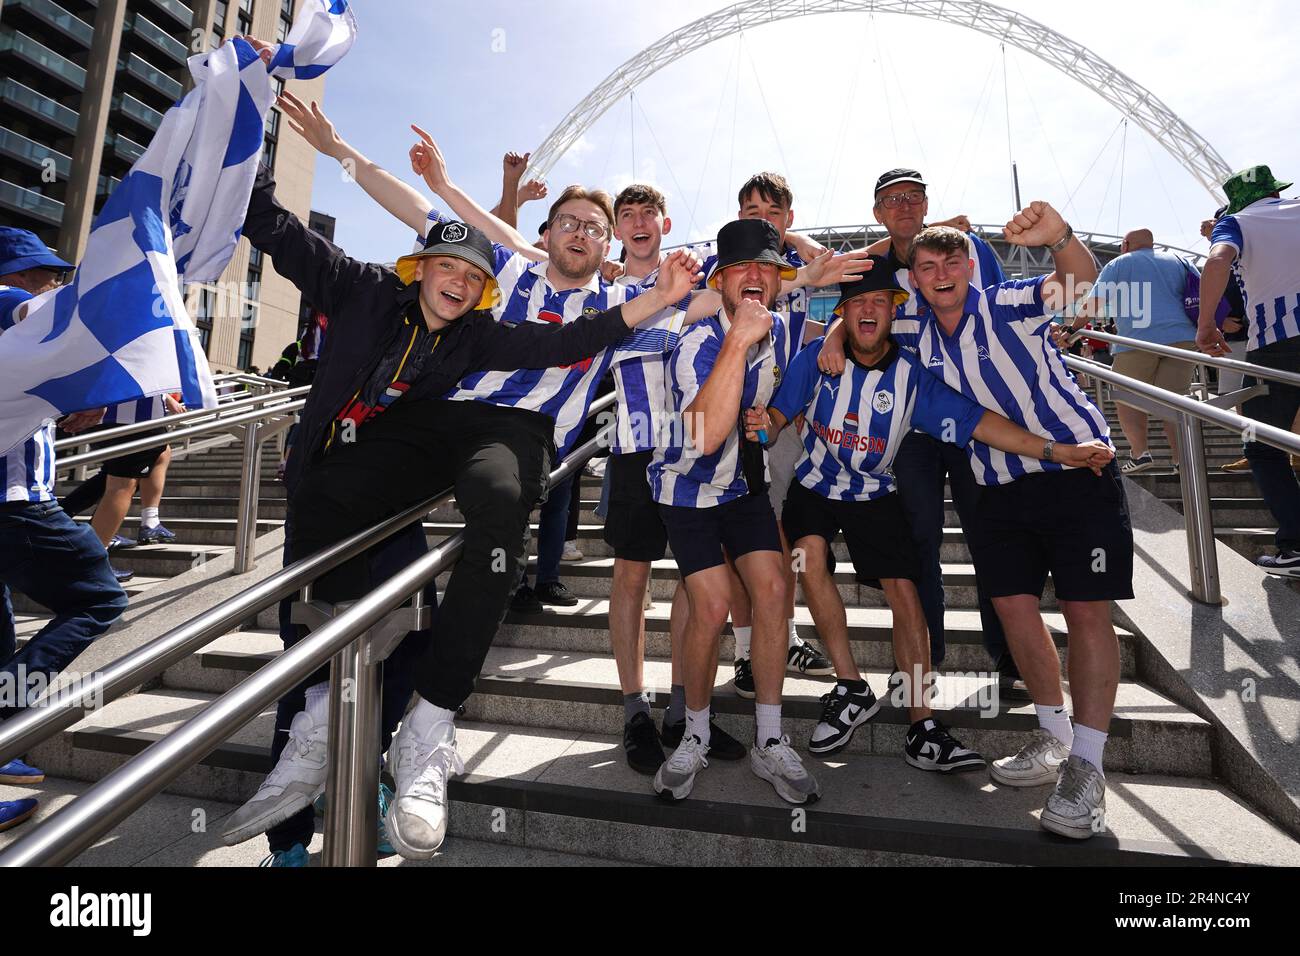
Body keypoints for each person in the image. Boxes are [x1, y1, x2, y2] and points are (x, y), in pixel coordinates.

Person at [221, 72, 704, 861]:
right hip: (435, 418)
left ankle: (429, 729)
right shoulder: (499, 274)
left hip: (512, 435)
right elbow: (420, 215)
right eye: (569, 221)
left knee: (498, 518)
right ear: (542, 234)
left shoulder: (618, 305)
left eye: (596, 225)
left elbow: (680, 309)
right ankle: (311, 738)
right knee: (330, 495)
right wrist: (343, 150)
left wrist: (776, 278)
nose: (581, 232)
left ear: (609, 244)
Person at [752, 264, 1112, 766]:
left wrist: (1055, 451)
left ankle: (922, 723)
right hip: (818, 481)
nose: (869, 310)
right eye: (858, 303)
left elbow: (981, 424)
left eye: (880, 301)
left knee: (907, 589)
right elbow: (776, 418)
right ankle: (851, 685)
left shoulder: (915, 378)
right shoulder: (818, 358)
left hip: (877, 488)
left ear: (895, 310)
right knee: (805, 557)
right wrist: (761, 425)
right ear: (843, 313)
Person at [854, 212, 1127, 840]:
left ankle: (1088, 763)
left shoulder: (1008, 302)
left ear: (971, 267)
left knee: (1087, 612)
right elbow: (849, 324)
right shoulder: (914, 326)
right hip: (998, 481)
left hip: (1074, 468)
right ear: (914, 280)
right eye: (926, 267)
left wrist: (1060, 239)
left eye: (951, 263)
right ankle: (1055, 737)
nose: (940, 274)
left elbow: (1081, 285)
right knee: (1012, 608)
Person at [649, 218, 820, 805]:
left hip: (743, 487)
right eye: (743, 268)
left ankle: (770, 738)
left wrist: (768, 421)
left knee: (774, 590)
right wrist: (738, 341)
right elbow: (701, 432)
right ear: (720, 280)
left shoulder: (782, 332)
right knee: (715, 602)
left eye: (767, 268)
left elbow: (834, 339)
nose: (756, 276)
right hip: (687, 490)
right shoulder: (697, 338)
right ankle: (693, 731)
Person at [845, 168, 1017, 694]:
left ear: (926, 204)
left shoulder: (964, 248)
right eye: (891, 200)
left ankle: (1008, 658)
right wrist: (833, 334)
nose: (903, 206)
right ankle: (926, 658)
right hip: (912, 425)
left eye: (913, 198)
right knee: (920, 542)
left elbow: (1001, 315)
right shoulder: (871, 266)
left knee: (989, 536)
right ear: (878, 211)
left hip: (973, 418)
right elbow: (855, 312)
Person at [0, 227, 129, 828]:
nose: (53, 282)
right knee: (100, 598)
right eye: (42, 272)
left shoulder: (22, 347)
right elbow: (40, 312)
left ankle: (7, 738)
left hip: (16, 496)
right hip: (14, 503)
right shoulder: (10, 304)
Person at [1196, 166, 1300, 578]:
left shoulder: (1235, 224)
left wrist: (1206, 324)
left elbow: (1218, 260)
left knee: (1259, 443)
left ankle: (1294, 545)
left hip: (1277, 345)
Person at [1070, 229, 1201, 474]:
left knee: (1126, 397)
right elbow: (1201, 295)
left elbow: (1094, 302)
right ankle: (1180, 461)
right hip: (1183, 340)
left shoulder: (1119, 263)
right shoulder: (1180, 261)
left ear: (1126, 244)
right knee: (1173, 402)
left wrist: (1073, 330)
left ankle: (1141, 454)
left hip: (1137, 341)